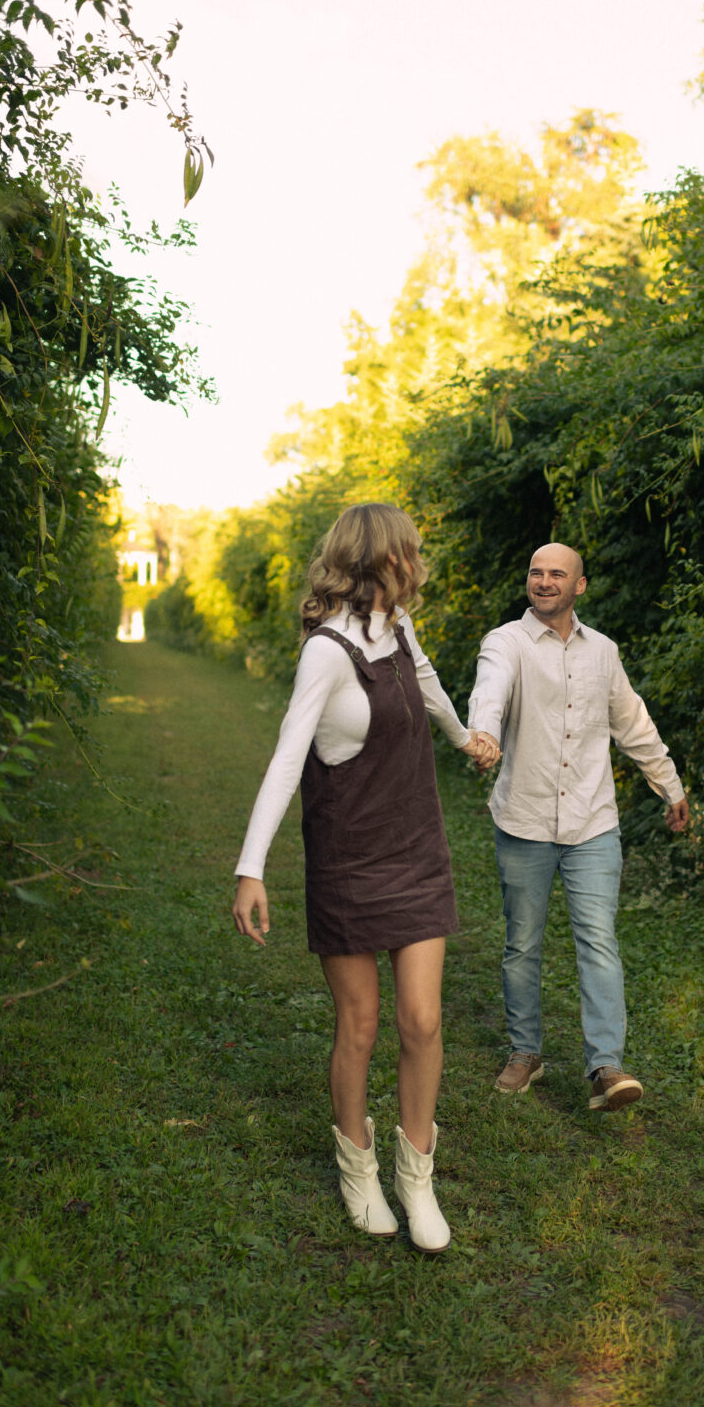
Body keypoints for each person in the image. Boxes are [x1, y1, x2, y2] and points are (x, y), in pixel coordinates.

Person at [232, 503, 497, 1252]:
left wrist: (462, 736)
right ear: (385, 559)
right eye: (411, 552)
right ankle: (357, 1165)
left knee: (423, 1021)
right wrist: (251, 868)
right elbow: (289, 756)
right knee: (362, 1024)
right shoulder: (325, 652)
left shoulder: (399, 627)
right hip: (349, 858)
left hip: (417, 847)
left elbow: (430, 681)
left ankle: (417, 1176)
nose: (419, 562)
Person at [468, 542, 689, 1112]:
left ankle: (606, 1067)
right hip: (525, 818)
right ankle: (526, 1053)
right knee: (522, 944)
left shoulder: (604, 653)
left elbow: (632, 722)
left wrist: (670, 784)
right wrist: (484, 733)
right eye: (536, 572)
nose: (544, 582)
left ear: (579, 586)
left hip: (593, 821)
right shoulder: (506, 643)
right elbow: (488, 693)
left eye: (556, 574)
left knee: (600, 942)